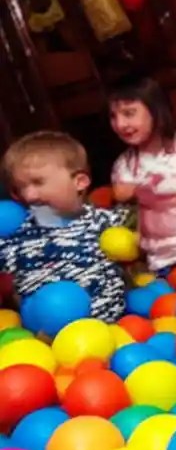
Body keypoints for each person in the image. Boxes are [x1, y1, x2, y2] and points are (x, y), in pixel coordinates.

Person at [0, 131, 130, 322]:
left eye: (38, 182)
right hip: (51, 339)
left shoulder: (103, 221)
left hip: (109, 327)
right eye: (21, 188)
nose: (29, 196)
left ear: (79, 182)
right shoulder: (20, 233)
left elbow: (144, 231)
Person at [109, 76, 176, 274]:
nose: (120, 124)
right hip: (164, 259)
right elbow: (120, 194)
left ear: (156, 112)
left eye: (129, 113)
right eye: (113, 116)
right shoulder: (126, 166)